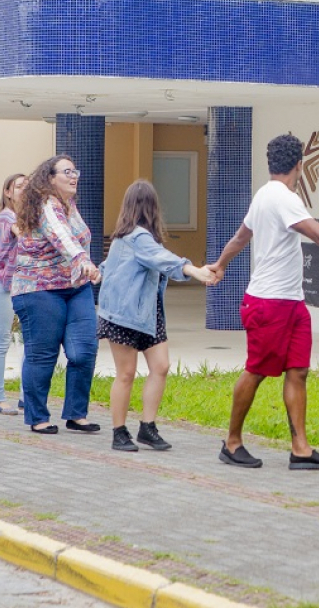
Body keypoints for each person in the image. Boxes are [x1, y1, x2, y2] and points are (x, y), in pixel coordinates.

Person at [209, 133, 319, 470]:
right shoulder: (282, 197)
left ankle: (300, 449)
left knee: (299, 371)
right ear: (299, 165)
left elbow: (239, 238)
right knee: (257, 371)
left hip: (291, 302)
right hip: (268, 302)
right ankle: (231, 443)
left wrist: (220, 264)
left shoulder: (265, 195)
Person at [100, 180, 215, 451]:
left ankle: (147, 428)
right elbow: (161, 258)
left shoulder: (129, 238)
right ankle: (119, 432)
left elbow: (113, 266)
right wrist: (192, 270)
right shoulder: (136, 237)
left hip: (148, 313)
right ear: (152, 207)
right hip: (124, 314)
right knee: (126, 374)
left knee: (160, 367)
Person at [11, 155, 101, 435]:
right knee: (42, 354)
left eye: (76, 170)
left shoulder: (69, 205)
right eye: (66, 172)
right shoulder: (45, 204)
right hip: (39, 289)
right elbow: (62, 237)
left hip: (75, 287)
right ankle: (37, 417)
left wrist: (83, 267)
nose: (74, 176)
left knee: (84, 349)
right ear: (50, 179)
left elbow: (78, 236)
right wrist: (83, 261)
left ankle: (76, 414)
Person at [0, 174, 25, 415]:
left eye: (28, 186)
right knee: (2, 341)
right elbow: (20, 233)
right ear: (8, 192)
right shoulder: (7, 216)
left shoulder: (22, 216)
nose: (25, 190)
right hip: (2, 285)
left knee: (28, 342)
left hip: (22, 286)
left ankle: (25, 397)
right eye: (20, 186)